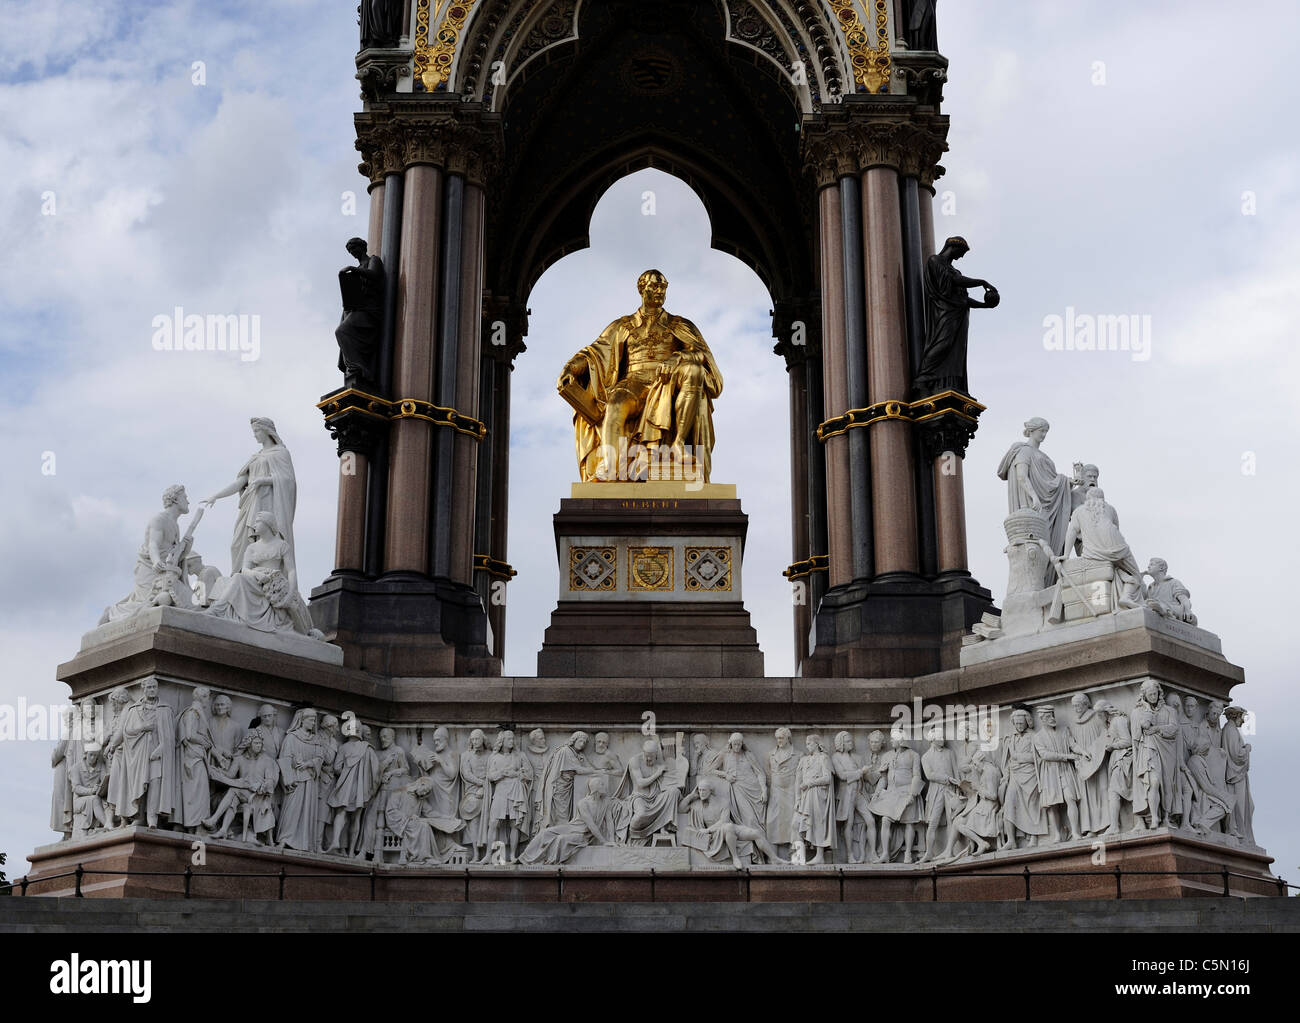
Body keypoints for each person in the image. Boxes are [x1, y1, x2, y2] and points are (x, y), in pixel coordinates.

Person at [558, 270, 723, 483]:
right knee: (615, 406)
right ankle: (611, 464)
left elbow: (702, 355)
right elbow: (596, 352)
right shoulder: (623, 325)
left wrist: (678, 357)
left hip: (668, 381)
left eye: (663, 287)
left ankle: (679, 444)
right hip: (633, 382)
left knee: (694, 370)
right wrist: (570, 369)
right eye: (654, 286)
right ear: (641, 289)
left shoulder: (680, 325)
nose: (659, 291)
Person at [202, 417, 299, 591]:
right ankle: (241, 578)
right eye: (253, 432)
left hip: (268, 503)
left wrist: (263, 480)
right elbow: (240, 482)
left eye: (257, 431)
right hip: (250, 503)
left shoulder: (281, 453)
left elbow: (288, 481)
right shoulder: (255, 457)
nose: (255, 436)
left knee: (262, 540)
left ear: (267, 431)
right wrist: (216, 495)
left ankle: (260, 582)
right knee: (237, 543)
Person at [205, 511, 316, 636]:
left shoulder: (282, 545)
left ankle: (217, 609)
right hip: (256, 579)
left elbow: (291, 570)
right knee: (233, 578)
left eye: (257, 521)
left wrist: (291, 592)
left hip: (273, 583)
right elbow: (245, 570)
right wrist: (257, 575)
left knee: (236, 579)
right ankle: (217, 609)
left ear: (268, 523)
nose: (254, 525)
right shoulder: (252, 548)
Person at [913, 235, 998, 397]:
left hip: (959, 315)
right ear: (952, 247)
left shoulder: (955, 270)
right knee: (943, 343)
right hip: (943, 312)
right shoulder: (935, 261)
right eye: (961, 252)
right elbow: (954, 281)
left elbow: (963, 299)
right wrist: (982, 282)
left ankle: (947, 383)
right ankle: (923, 378)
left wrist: (985, 305)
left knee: (956, 351)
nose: (961, 256)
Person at [100, 484, 199, 622]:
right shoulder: (159, 519)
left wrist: (185, 550)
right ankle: (112, 614)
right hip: (150, 568)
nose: (188, 501)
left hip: (166, 571)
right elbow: (153, 544)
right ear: (175, 499)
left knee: (169, 600)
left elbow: (172, 556)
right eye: (185, 497)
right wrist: (156, 560)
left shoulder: (175, 525)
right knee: (144, 603)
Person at [1053, 488, 1144, 617]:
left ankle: (1123, 596)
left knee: (1119, 570)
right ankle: (1126, 596)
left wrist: (1066, 555)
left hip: (1094, 553)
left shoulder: (1078, 511)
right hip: (1119, 548)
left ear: (1087, 499)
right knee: (1136, 575)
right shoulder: (1110, 509)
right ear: (1102, 499)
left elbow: (1072, 531)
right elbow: (1116, 529)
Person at [104, 678, 179, 828]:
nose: (152, 690)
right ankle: (139, 817)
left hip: (157, 753)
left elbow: (171, 737)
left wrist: (161, 749)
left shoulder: (165, 709)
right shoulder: (134, 709)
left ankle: (152, 817)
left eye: (154, 687)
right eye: (149, 687)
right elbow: (127, 732)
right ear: (143, 689)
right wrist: (143, 727)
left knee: (155, 783)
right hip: (138, 754)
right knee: (140, 785)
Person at [996, 418, 1073, 559]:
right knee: (1037, 548)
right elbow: (1022, 476)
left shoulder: (1044, 457)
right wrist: (1034, 497)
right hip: (1033, 506)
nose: (1044, 434)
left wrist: (1067, 482)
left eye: (1046, 431)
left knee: (1048, 547)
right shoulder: (1023, 451)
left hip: (1048, 505)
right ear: (1032, 430)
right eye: (1041, 430)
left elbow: (1050, 482)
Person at [520, 775, 627, 866]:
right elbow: (591, 824)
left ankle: (547, 861)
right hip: (574, 827)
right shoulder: (583, 803)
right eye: (602, 784)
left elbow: (609, 821)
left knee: (561, 839)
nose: (605, 786)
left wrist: (611, 841)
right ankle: (525, 859)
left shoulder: (606, 802)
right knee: (545, 832)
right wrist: (604, 842)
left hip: (584, 834)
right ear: (595, 788)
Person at [680, 780, 785, 869]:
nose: (701, 793)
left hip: (726, 828)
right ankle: (735, 858)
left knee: (756, 833)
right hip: (716, 834)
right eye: (699, 790)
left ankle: (774, 859)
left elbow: (724, 821)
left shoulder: (723, 802)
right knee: (728, 827)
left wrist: (708, 830)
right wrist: (690, 796)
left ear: (710, 791)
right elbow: (681, 809)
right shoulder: (697, 805)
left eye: (704, 790)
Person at [205, 733, 279, 844]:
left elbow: (270, 780)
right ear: (249, 744)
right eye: (256, 743)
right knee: (233, 800)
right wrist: (218, 771)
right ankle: (223, 829)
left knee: (233, 791)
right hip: (243, 793)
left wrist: (262, 785)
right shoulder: (239, 759)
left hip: (257, 795)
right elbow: (230, 775)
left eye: (260, 743)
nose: (259, 745)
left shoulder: (266, 761)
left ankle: (214, 820)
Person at [334, 237, 385, 386]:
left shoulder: (373, 260)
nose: (353, 253)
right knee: (342, 331)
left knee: (342, 331)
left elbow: (375, 275)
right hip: (355, 307)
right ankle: (353, 369)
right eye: (350, 251)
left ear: (362, 247)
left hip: (369, 309)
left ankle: (359, 367)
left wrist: (354, 269)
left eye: (354, 249)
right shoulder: (357, 269)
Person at [1032, 705, 1084, 843]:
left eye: (1052, 715)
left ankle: (1075, 832)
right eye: (1048, 716)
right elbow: (1044, 754)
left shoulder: (1064, 730)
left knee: (1070, 798)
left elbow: (1073, 745)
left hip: (1065, 770)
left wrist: (1083, 752)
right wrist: (1067, 757)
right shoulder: (1038, 737)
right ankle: (1057, 834)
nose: (1052, 718)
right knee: (1052, 805)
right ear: (1042, 719)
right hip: (1049, 772)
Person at [870, 732, 925, 863]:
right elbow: (884, 779)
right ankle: (885, 854)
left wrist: (913, 793)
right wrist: (877, 792)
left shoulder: (913, 755)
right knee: (885, 820)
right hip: (891, 793)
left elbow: (917, 776)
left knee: (909, 822)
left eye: (893, 738)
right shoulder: (887, 756)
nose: (891, 741)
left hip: (907, 792)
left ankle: (908, 854)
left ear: (901, 741)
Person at [276, 708, 325, 852]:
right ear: (302, 720)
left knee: (307, 811)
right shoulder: (291, 737)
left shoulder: (316, 740)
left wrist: (308, 763)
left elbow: (320, 758)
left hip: (310, 780)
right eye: (311, 720)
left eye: (314, 720)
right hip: (295, 780)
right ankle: (285, 839)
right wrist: (288, 779)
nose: (313, 722)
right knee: (291, 809)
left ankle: (305, 843)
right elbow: (285, 758)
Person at [616, 739, 681, 844]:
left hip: (656, 797)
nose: (649, 758)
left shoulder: (660, 761)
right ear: (643, 752)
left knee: (674, 792)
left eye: (652, 756)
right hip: (639, 797)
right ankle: (630, 834)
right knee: (641, 814)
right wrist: (658, 773)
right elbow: (640, 783)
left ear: (656, 754)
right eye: (647, 755)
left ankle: (663, 826)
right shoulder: (635, 761)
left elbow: (669, 780)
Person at [997, 708, 1045, 850]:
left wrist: (1020, 758)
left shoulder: (1034, 736)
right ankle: (1011, 840)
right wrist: (1005, 777)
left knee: (1032, 806)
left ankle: (1034, 836)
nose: (1019, 726)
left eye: (1021, 723)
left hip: (1030, 775)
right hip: (1014, 776)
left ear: (1027, 722)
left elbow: (1039, 758)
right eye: (1016, 723)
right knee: (1009, 804)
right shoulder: (1010, 738)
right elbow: (1006, 761)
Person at [487, 730, 532, 862]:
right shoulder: (494, 757)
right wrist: (502, 773)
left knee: (514, 824)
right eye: (509, 739)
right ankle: (495, 856)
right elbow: (490, 776)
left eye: (513, 739)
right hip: (500, 791)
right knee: (494, 822)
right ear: (502, 741)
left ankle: (512, 855)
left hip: (515, 791)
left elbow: (529, 775)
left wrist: (517, 774)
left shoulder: (520, 756)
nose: (512, 741)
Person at [537, 731, 596, 829]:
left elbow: (589, 766)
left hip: (567, 787)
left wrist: (595, 769)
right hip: (559, 788)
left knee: (567, 814)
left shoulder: (577, 753)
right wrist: (594, 771)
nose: (582, 744)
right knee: (561, 815)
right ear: (574, 740)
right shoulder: (565, 751)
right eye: (580, 741)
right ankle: (556, 836)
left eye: (584, 743)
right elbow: (579, 770)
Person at [920, 734, 964, 862]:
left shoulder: (949, 753)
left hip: (950, 789)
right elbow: (929, 775)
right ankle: (929, 853)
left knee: (952, 820)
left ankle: (950, 851)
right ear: (932, 739)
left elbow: (955, 770)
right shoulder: (926, 757)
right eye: (940, 737)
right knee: (933, 822)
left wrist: (958, 786)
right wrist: (946, 778)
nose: (943, 739)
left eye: (943, 737)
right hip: (936, 791)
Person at [175, 687, 214, 833]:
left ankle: (194, 826)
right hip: (194, 757)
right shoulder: (193, 712)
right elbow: (191, 734)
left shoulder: (197, 712)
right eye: (206, 697)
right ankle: (197, 825)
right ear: (200, 697)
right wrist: (204, 742)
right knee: (199, 792)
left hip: (195, 755)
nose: (207, 700)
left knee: (197, 792)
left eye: (207, 697)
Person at [710, 732, 767, 830]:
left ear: (742, 744)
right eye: (734, 744)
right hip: (737, 788)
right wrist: (725, 775)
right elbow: (710, 770)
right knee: (750, 818)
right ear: (730, 744)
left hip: (754, 790)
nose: (737, 747)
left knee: (758, 820)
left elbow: (760, 773)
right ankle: (753, 841)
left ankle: (758, 840)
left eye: (739, 744)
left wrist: (764, 789)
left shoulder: (748, 755)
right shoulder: (724, 754)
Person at [793, 734, 835, 864]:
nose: (807, 746)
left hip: (818, 795)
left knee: (817, 824)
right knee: (796, 824)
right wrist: (798, 799)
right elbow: (798, 781)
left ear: (817, 744)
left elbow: (827, 778)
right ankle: (799, 857)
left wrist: (810, 783)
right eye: (806, 744)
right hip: (806, 796)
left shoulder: (824, 758)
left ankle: (819, 856)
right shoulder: (804, 760)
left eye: (809, 743)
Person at [765, 727, 801, 856]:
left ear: (788, 738)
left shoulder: (798, 754)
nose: (779, 740)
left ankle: (797, 858)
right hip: (776, 792)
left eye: (781, 738)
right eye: (777, 738)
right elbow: (768, 774)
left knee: (795, 823)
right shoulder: (771, 754)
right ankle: (773, 857)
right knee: (772, 822)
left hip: (792, 792)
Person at [459, 729, 493, 861]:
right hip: (472, 792)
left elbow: (492, 772)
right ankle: (476, 853)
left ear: (483, 739)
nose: (475, 742)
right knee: (473, 823)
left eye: (477, 739)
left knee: (491, 823)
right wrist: (481, 784)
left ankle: (489, 854)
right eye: (472, 739)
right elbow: (466, 773)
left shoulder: (490, 755)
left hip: (489, 791)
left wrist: (485, 787)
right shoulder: (466, 755)